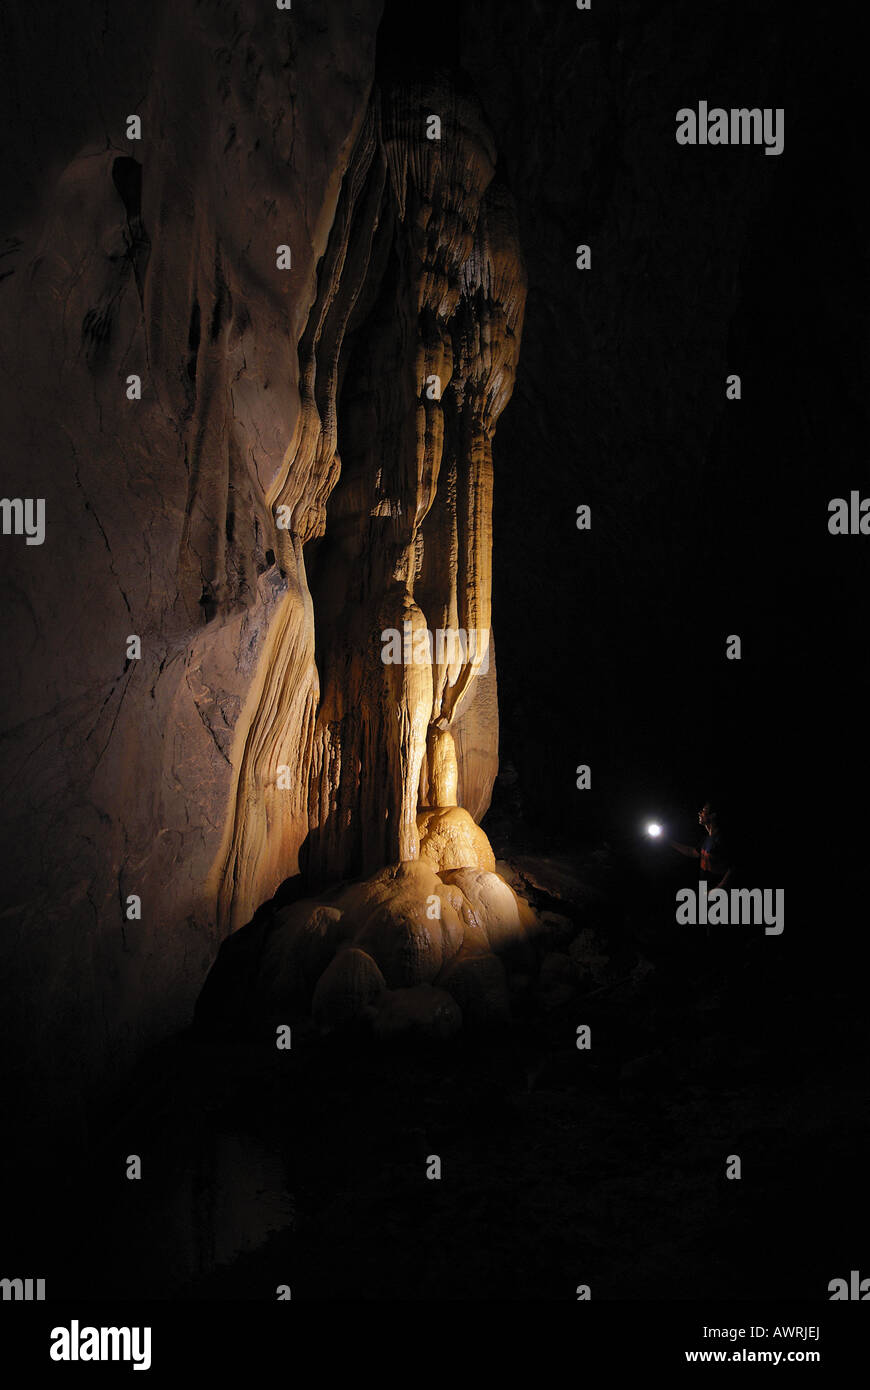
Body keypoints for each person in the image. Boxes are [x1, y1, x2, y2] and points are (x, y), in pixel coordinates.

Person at [669, 801, 733, 890]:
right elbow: (693, 852)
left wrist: (718, 888)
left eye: (703, 810)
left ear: (713, 815)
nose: (700, 813)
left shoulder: (722, 838)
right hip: (705, 890)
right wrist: (668, 842)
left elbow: (733, 867)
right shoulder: (707, 838)